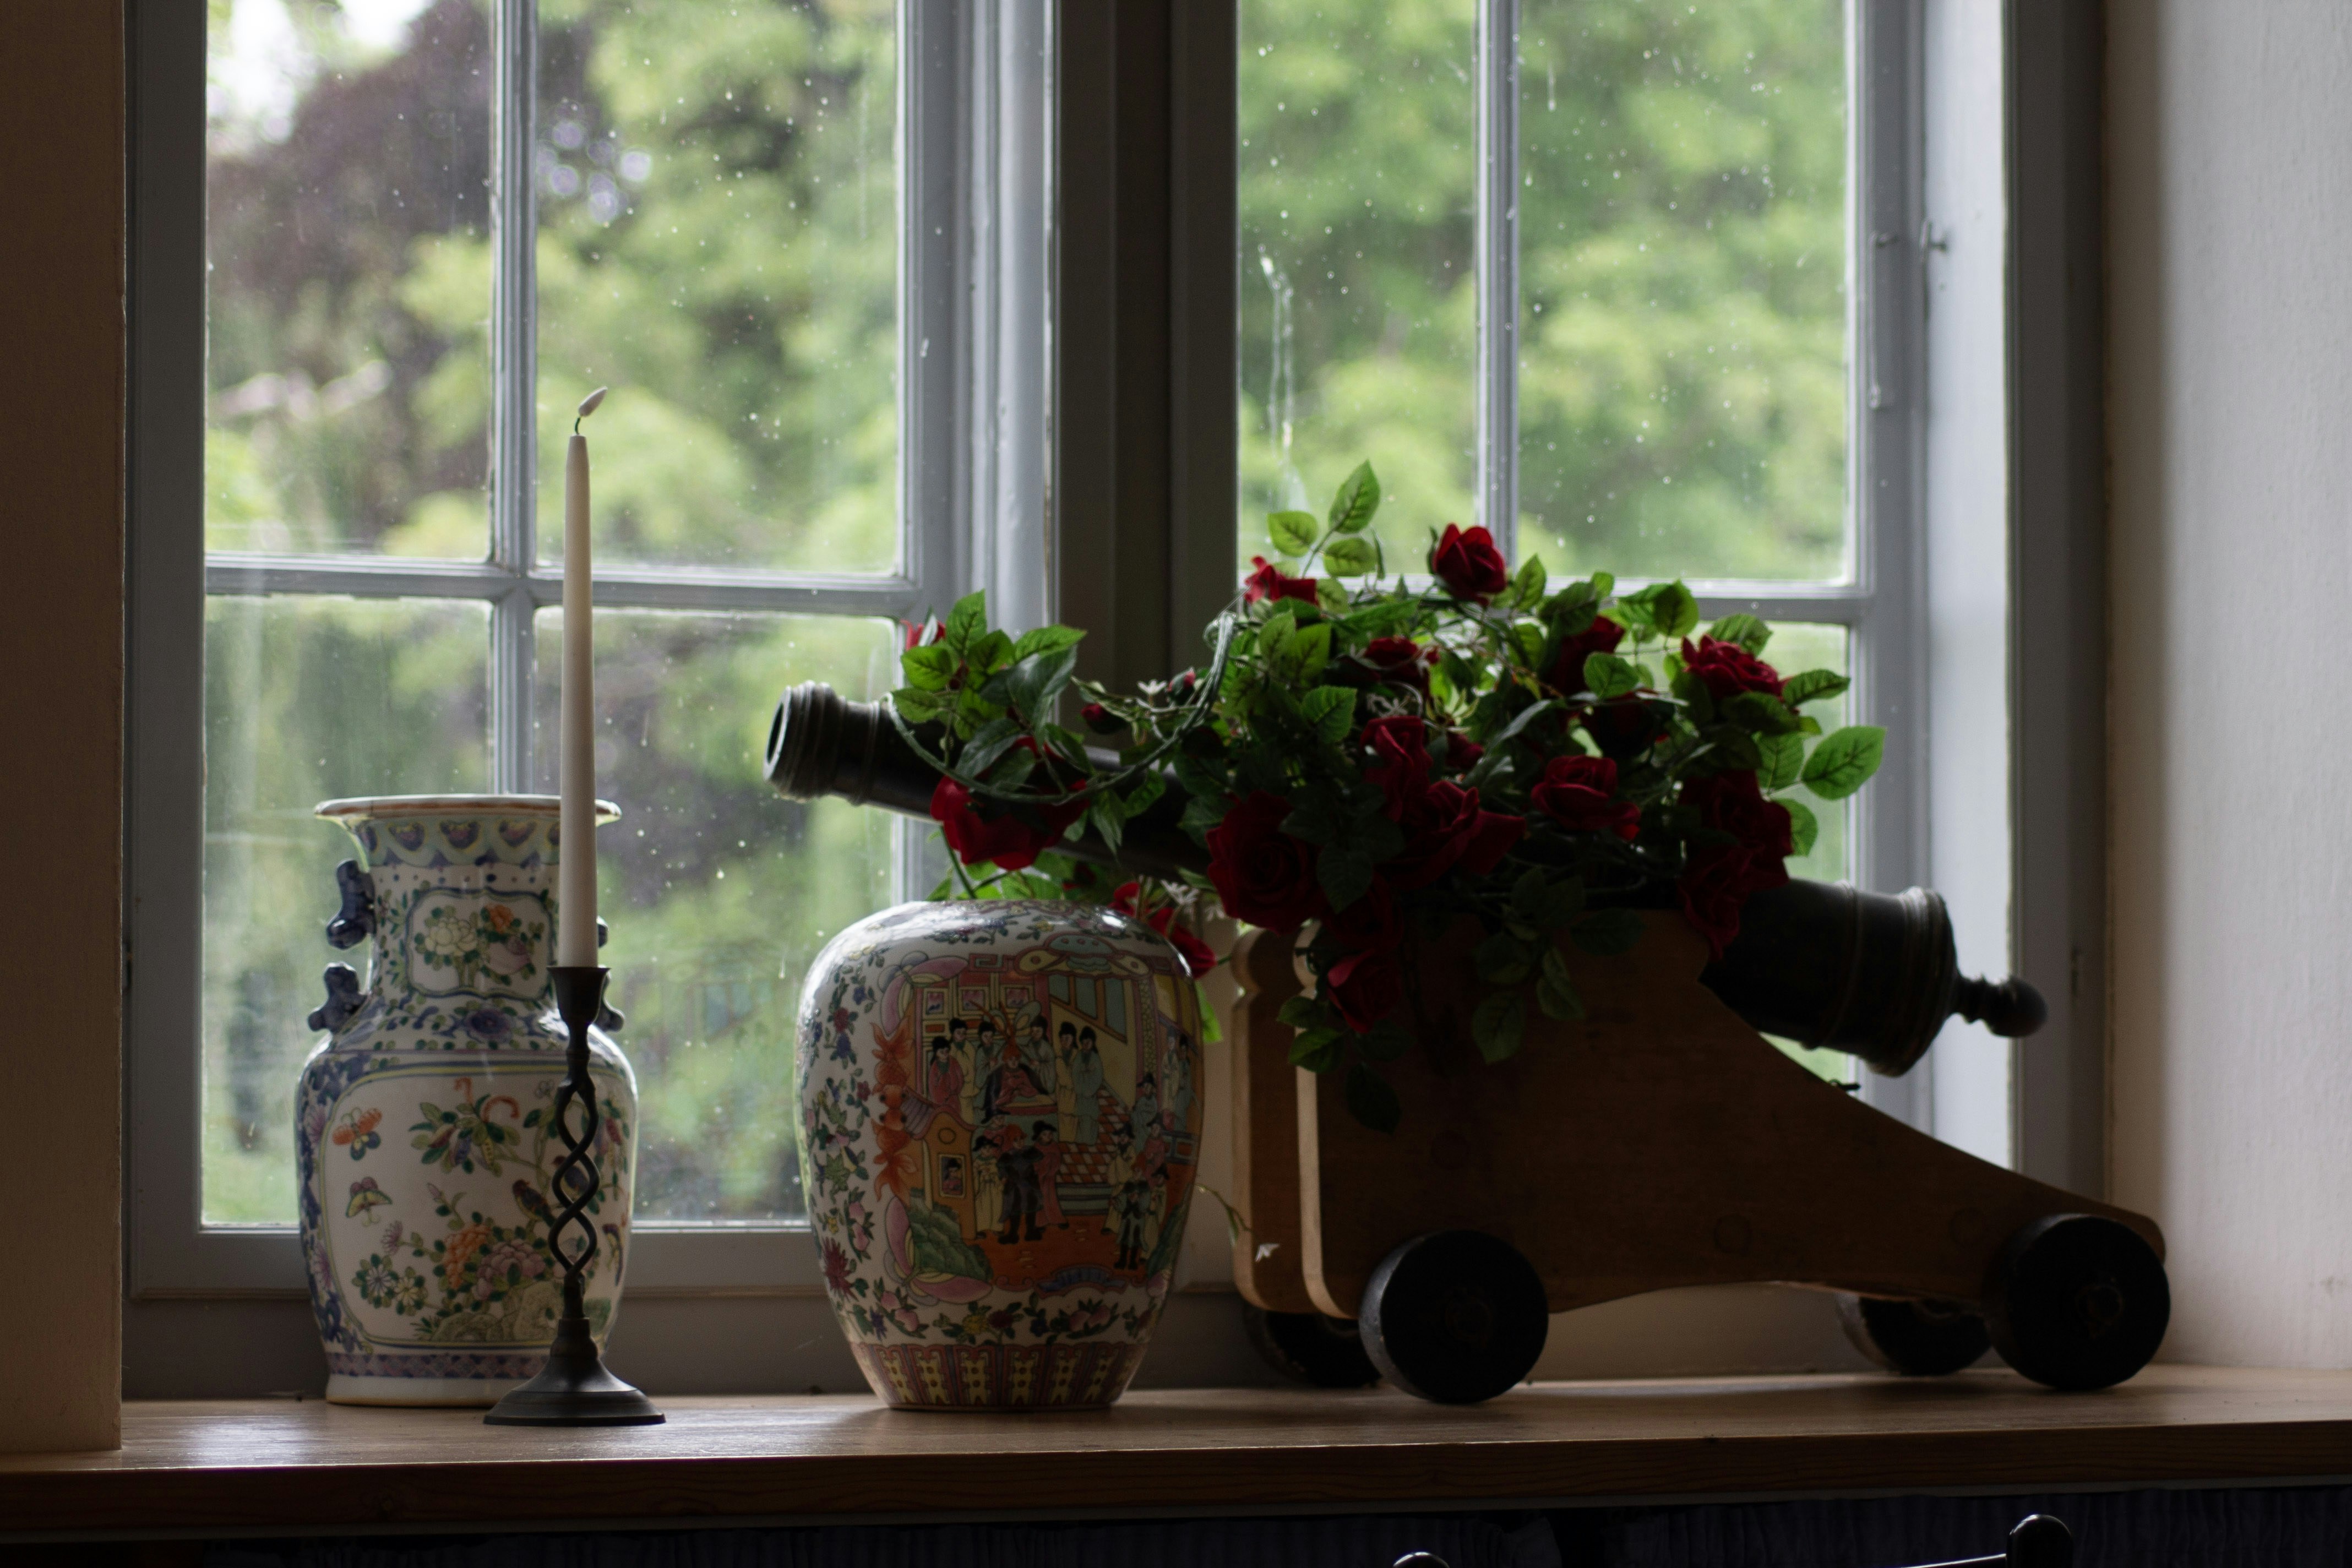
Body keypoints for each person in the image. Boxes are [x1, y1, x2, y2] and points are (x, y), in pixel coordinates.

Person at [993, 1126, 1045, 1244]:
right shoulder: (1008, 1156)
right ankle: (1013, 1235)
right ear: (1010, 1142)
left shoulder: (1030, 1151)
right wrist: (1004, 1177)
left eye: (1021, 1139)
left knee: (1031, 1210)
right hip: (1015, 1188)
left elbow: (1039, 1159)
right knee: (1015, 1211)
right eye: (1016, 1140)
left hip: (1029, 1187)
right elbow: (1001, 1170)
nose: (1020, 1143)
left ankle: (1031, 1232)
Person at [1067, 1023, 1105, 1145]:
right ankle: (1082, 1142)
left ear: (1092, 1042)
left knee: (1091, 1120)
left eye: (1088, 1043)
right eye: (1083, 1043)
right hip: (1081, 1094)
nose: (1085, 1046)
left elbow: (1098, 1076)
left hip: (1091, 1094)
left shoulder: (1095, 1057)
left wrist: (1090, 1089)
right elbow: (1075, 1073)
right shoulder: (1079, 1056)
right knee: (1081, 1119)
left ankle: (1091, 1142)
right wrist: (1080, 1087)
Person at [1030, 1120, 1067, 1229]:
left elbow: (1058, 1161)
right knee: (1040, 1199)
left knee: (1051, 1198)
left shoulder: (1054, 1146)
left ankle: (1057, 1219)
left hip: (1050, 1178)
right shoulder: (1037, 1146)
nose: (1048, 1137)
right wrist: (1041, 1168)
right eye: (1045, 1135)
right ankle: (1041, 1222)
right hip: (1039, 1178)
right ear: (1039, 1136)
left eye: (1050, 1134)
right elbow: (1034, 1162)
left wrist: (1050, 1163)